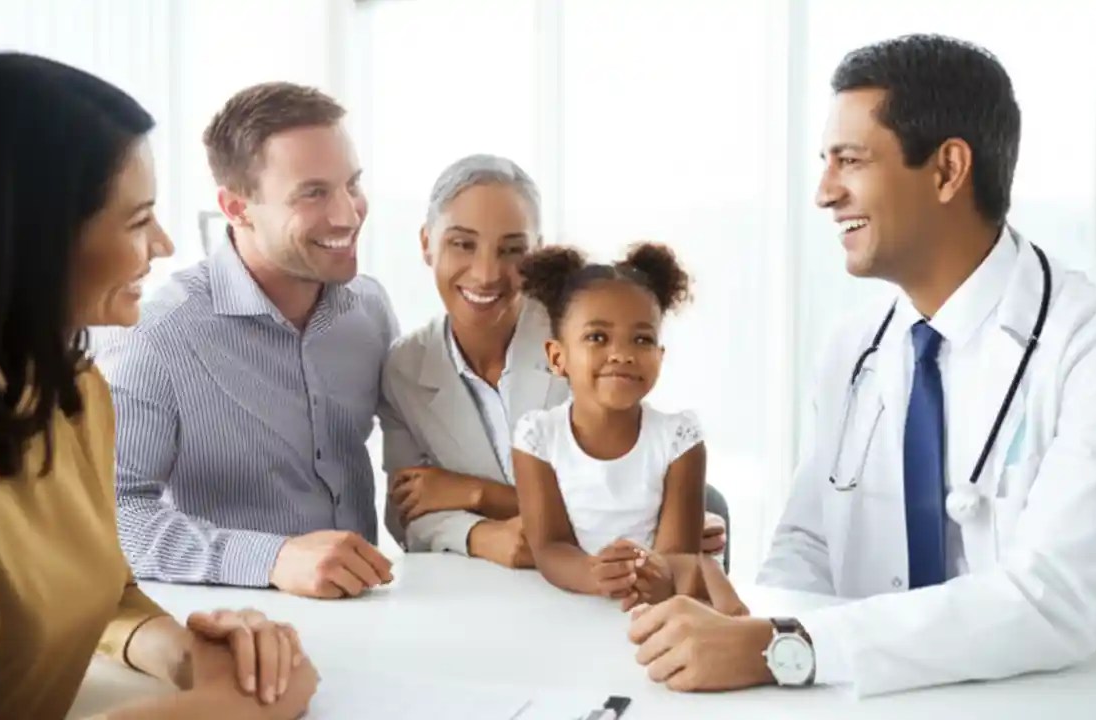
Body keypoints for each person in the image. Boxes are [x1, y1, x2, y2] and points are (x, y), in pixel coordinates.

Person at [627, 34, 1096, 696]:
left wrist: (782, 647)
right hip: (874, 698)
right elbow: (809, 546)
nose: (825, 192)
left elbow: (1052, 599)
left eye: (850, 161)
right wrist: (749, 625)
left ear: (947, 170)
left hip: (1064, 701)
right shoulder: (853, 349)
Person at [0, 52, 315, 718]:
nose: (166, 244)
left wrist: (192, 655)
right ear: (35, 240)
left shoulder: (74, 393)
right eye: (137, 220)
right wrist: (228, 711)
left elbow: (106, 593)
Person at [97, 82, 397, 598]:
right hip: (233, 636)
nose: (348, 214)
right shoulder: (158, 338)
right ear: (237, 208)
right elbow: (109, 516)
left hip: (373, 618)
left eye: (352, 184)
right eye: (313, 193)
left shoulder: (368, 311)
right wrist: (271, 558)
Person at [380, 155, 729, 569]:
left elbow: (621, 500)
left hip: (611, 583)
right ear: (426, 243)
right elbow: (407, 512)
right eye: (462, 244)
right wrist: (479, 535)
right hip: (490, 588)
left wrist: (476, 494)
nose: (487, 273)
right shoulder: (406, 366)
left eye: (512, 250)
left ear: (537, 254)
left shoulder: (584, 339)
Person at [511, 244, 740, 613]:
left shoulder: (680, 440)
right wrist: (592, 573)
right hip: (572, 609)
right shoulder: (537, 438)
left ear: (660, 357)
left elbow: (677, 558)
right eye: (597, 337)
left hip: (657, 613)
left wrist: (654, 577)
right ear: (558, 357)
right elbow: (550, 547)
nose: (622, 354)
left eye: (642, 339)